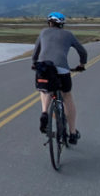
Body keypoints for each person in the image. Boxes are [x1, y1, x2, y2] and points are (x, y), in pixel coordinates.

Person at [31, 12, 88, 144]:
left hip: (44, 68)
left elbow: (36, 52)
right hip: (62, 69)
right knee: (67, 96)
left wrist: (34, 64)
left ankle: (44, 112)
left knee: (45, 90)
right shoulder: (68, 34)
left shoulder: (43, 32)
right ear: (62, 24)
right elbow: (82, 51)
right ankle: (73, 133)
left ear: (49, 23)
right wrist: (81, 64)